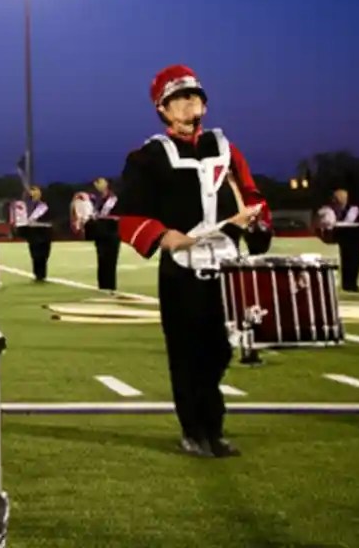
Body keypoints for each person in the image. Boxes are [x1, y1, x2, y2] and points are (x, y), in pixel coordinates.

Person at [115, 64, 268, 459]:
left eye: (195, 96)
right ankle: (196, 430)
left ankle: (212, 426)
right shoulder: (147, 156)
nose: (190, 103)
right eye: (180, 98)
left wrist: (255, 219)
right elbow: (127, 215)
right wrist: (163, 235)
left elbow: (252, 195)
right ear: (163, 109)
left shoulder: (225, 148)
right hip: (182, 266)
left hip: (226, 264)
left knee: (219, 349)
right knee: (186, 352)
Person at [316, 188, 359, 292]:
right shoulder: (328, 210)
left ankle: (350, 283)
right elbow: (328, 223)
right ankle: (348, 283)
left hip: (352, 236)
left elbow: (349, 221)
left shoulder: (353, 209)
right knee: (348, 259)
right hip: (344, 236)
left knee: (353, 259)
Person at [86, 177, 121, 291]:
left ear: (107, 184)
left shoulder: (114, 198)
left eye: (100, 182)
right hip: (100, 233)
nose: (97, 185)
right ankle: (102, 286)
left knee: (110, 261)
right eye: (96, 183)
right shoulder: (97, 200)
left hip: (111, 233)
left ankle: (110, 286)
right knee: (101, 261)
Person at [11, 186, 52, 281]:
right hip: (33, 230)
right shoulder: (25, 205)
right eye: (32, 191)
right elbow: (21, 219)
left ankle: (42, 273)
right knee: (36, 253)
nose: (34, 193)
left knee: (45, 253)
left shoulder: (44, 204)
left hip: (45, 230)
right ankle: (38, 274)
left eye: (36, 190)